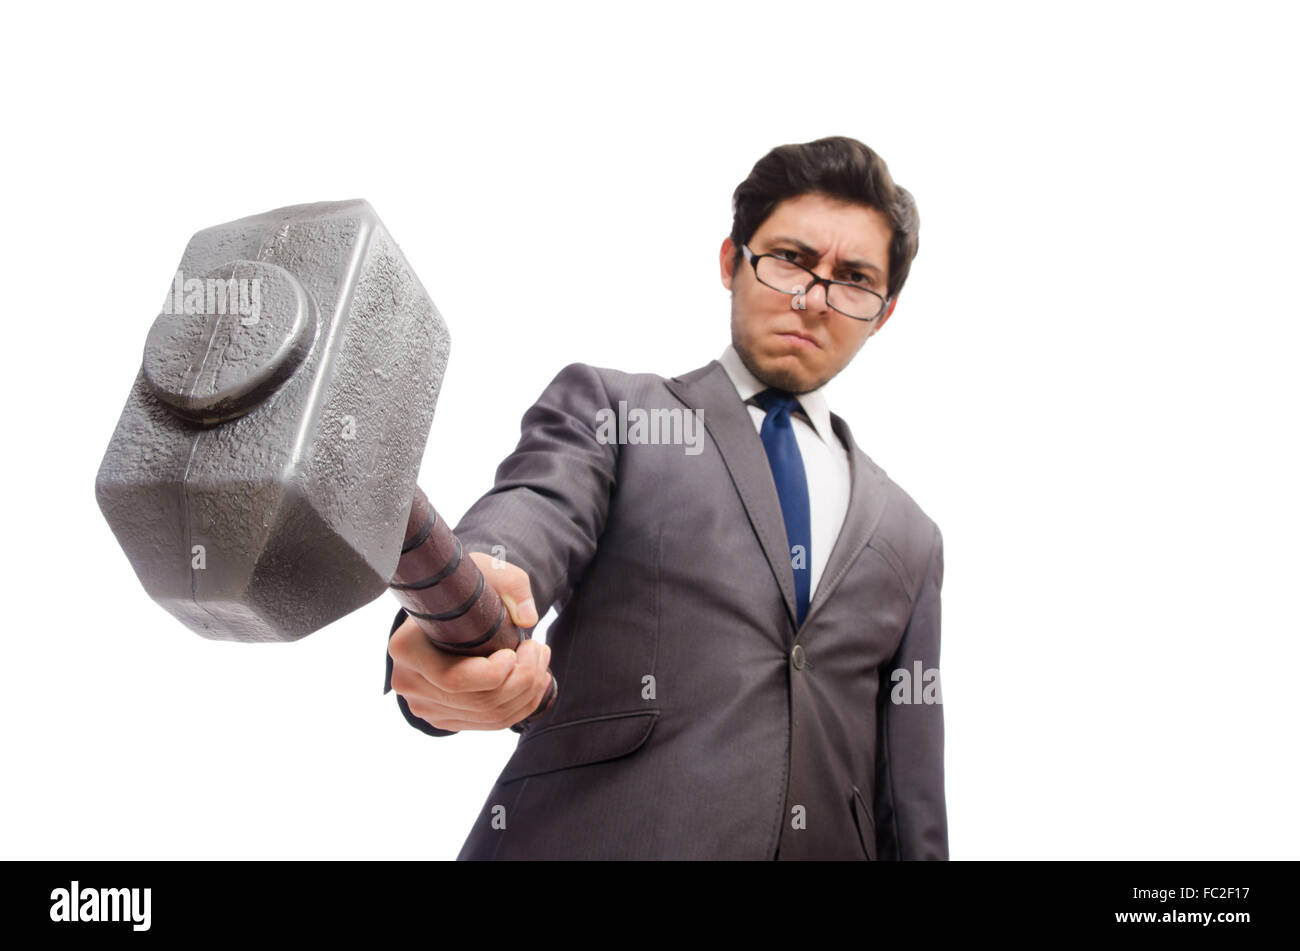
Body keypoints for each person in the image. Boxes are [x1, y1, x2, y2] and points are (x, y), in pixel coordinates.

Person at [385, 135, 947, 860]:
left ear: (885, 310)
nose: (813, 298)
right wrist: (467, 602)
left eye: (854, 278)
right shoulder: (616, 411)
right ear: (730, 261)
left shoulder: (913, 536)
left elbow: (913, 792)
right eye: (790, 259)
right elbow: (528, 519)